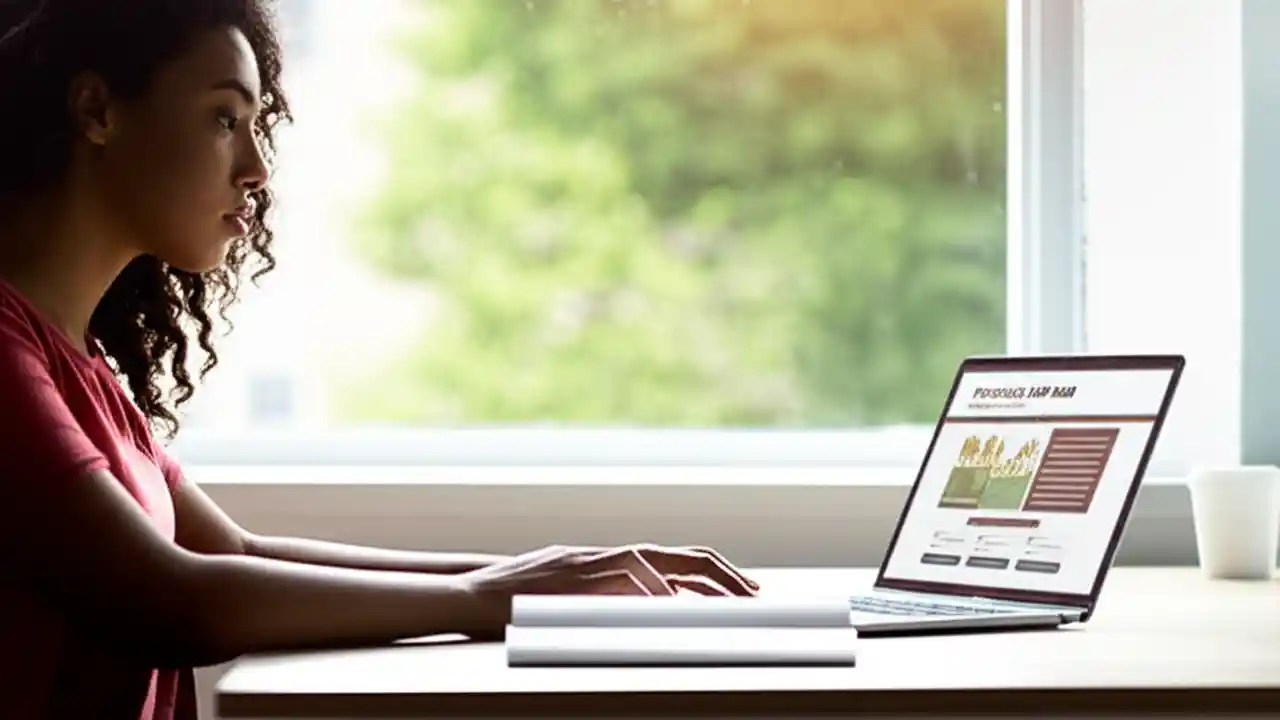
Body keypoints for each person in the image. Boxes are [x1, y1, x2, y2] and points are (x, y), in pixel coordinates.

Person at [0, 1, 760, 717]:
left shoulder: (80, 364)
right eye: (225, 118)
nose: (256, 167)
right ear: (98, 110)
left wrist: (525, 577)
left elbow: (235, 550)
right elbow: (172, 599)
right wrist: (482, 600)